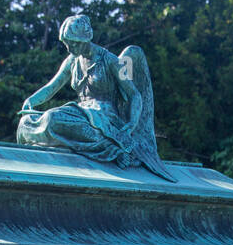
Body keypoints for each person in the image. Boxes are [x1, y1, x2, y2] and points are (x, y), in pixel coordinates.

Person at [17, 15, 173, 180]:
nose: (70, 48)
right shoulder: (72, 61)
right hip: (81, 111)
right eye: (67, 43)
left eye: (73, 43)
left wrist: (132, 124)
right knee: (26, 122)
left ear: (85, 39)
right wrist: (30, 102)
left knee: (51, 119)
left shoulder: (112, 61)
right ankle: (101, 145)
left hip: (105, 118)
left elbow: (135, 94)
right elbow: (51, 87)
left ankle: (114, 149)